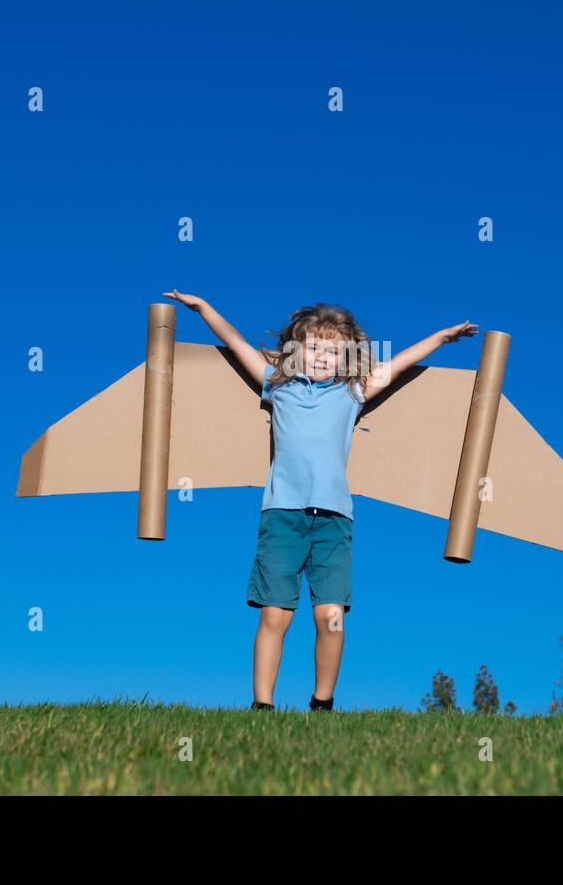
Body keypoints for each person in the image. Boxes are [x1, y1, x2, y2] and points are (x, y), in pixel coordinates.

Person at [163, 290, 477, 712]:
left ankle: (322, 703)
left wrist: (441, 337)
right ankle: (262, 706)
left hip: (333, 522)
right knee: (275, 615)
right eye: (314, 348)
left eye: (334, 351)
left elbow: (398, 365)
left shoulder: (351, 395)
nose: (323, 356)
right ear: (295, 351)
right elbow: (237, 343)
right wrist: (203, 309)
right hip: (283, 518)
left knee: (330, 617)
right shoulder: (278, 387)